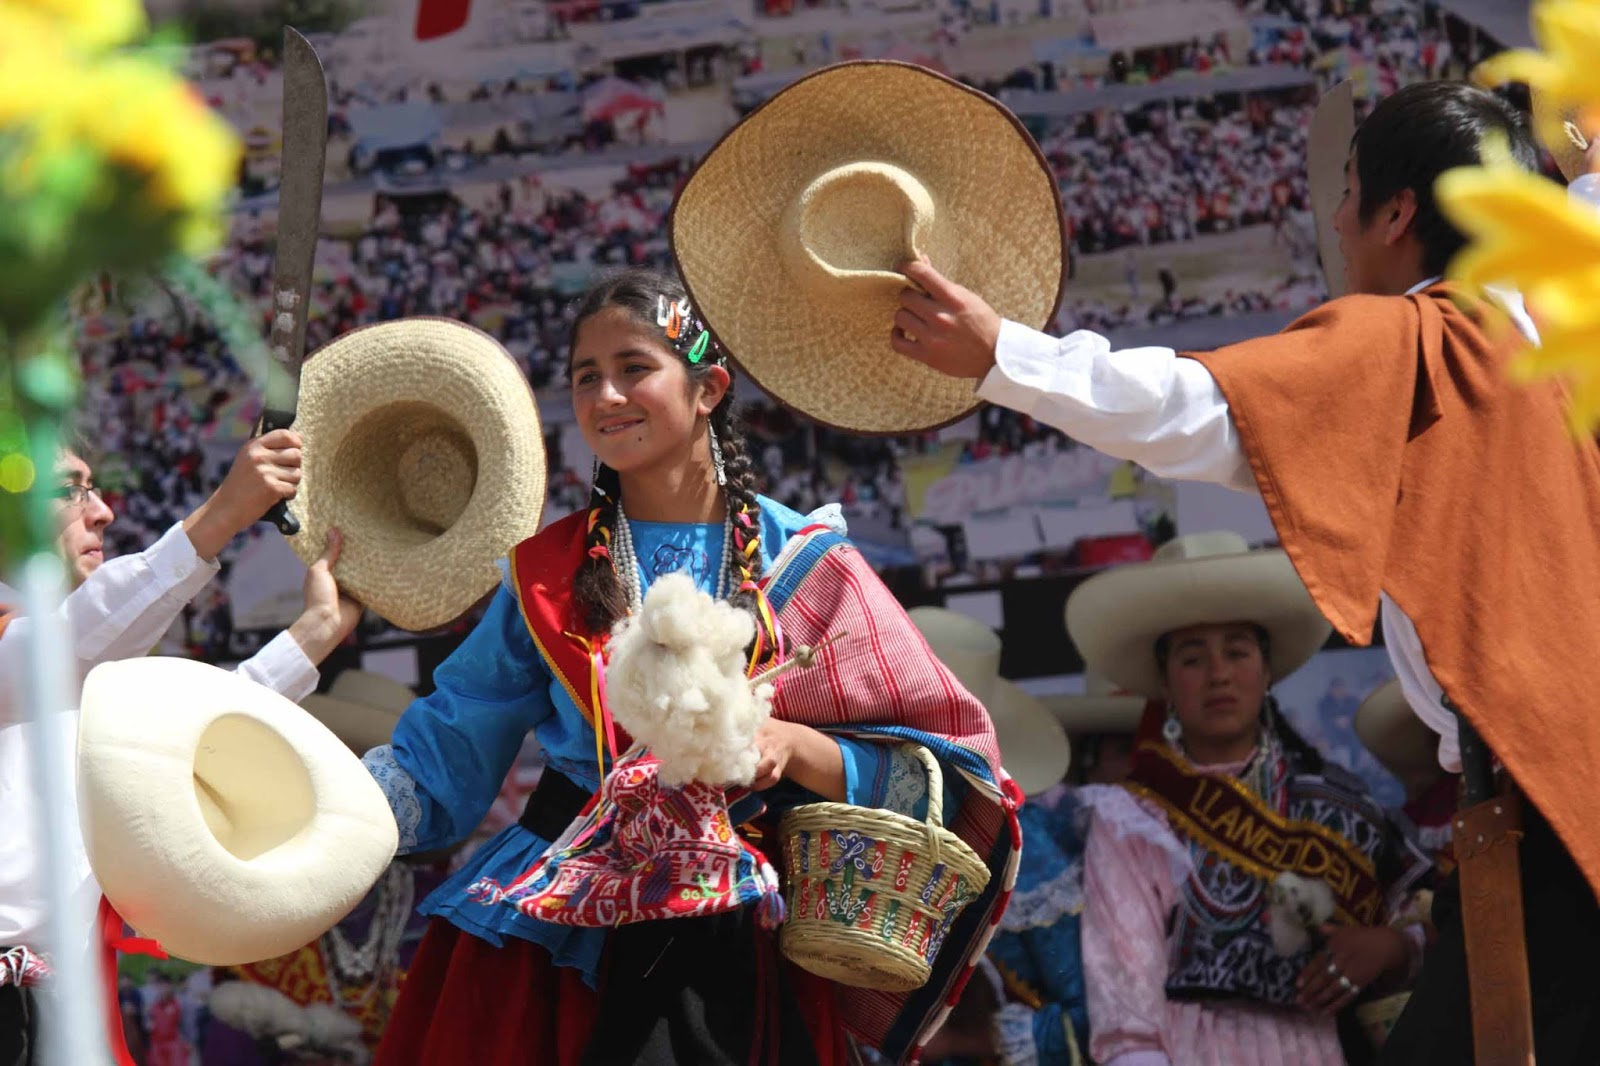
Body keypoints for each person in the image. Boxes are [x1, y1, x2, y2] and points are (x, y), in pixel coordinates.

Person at [891, 80, 1600, 1064]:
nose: (1338, 222)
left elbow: (1199, 407)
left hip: (1545, 824)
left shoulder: (1417, 335)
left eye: (1348, 192)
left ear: (1398, 212)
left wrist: (1000, 355)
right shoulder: (1551, 350)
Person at [358, 268, 1016, 1065]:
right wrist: (319, 815)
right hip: (560, 930)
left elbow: (948, 766)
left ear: (708, 388)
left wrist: (793, 747)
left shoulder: (805, 561)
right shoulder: (547, 572)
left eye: (635, 369)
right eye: (585, 378)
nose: (607, 397)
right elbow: (446, 757)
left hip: (748, 928)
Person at [0, 430, 361, 1066]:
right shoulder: (38, 651)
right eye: (68, 491)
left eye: (95, 488)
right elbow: (67, 645)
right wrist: (224, 512)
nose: (103, 509)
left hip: (55, 1006)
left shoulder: (65, 670)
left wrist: (314, 636)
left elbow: (187, 738)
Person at [1066, 532, 1432, 1065]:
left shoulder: (1336, 805)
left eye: (1236, 652)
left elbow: (1433, 924)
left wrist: (1391, 948)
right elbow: (1126, 1016)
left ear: (1265, 670)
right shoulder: (1134, 818)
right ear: (1165, 682)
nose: (1219, 674)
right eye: (1193, 658)